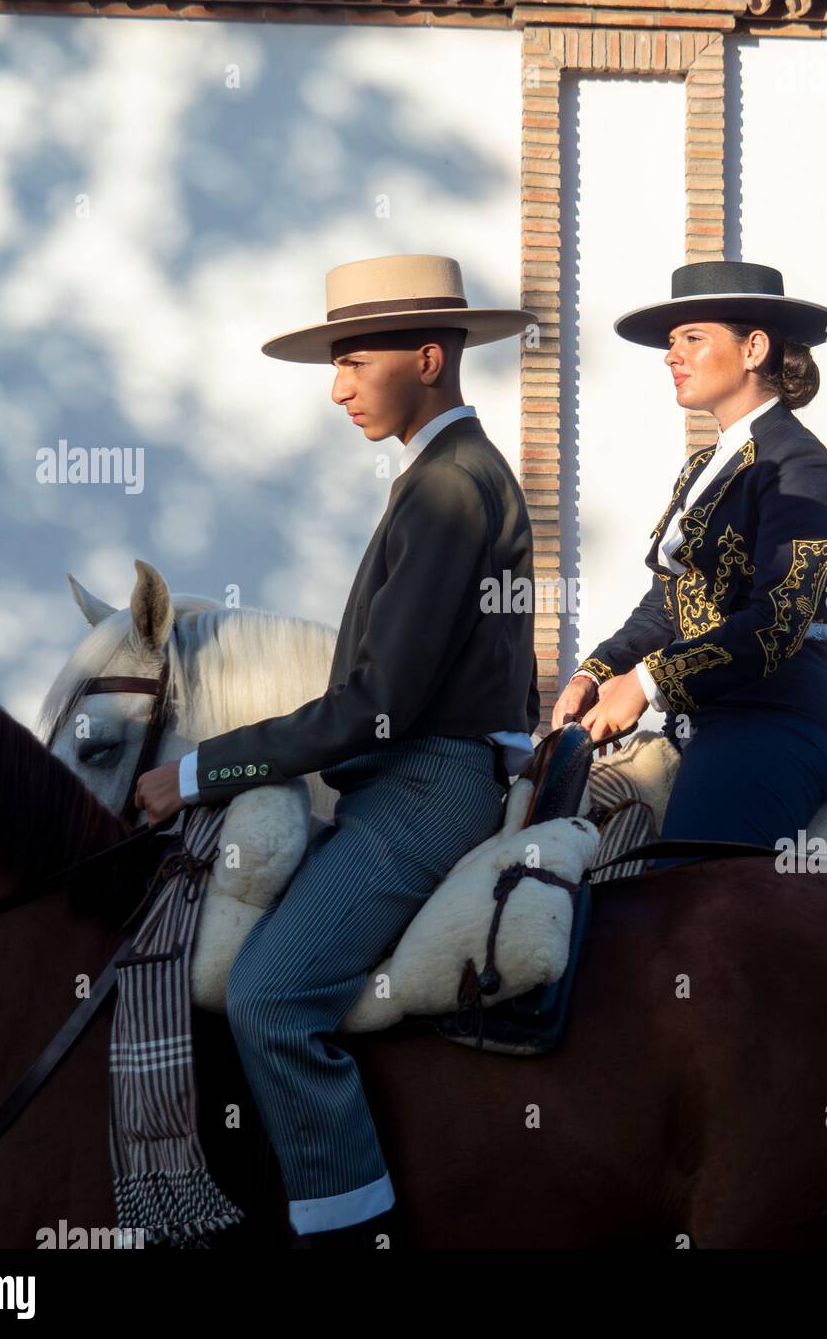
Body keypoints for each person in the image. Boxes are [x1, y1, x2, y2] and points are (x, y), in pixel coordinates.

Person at [134, 253, 541, 1246]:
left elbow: (374, 709)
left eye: (356, 360)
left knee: (271, 996)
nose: (339, 385)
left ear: (431, 357)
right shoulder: (440, 477)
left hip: (425, 788)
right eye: (336, 363)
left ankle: (352, 1236)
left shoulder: (450, 488)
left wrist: (195, 770)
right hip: (410, 779)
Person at [551, 260, 827, 852]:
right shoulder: (702, 466)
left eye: (693, 338)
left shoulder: (802, 464)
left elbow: (779, 621)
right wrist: (599, 670)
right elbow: (669, 602)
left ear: (754, 349)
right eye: (671, 343)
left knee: (692, 885)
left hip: (777, 713)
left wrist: (648, 682)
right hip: (709, 712)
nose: (672, 355)